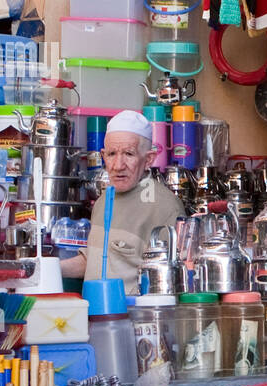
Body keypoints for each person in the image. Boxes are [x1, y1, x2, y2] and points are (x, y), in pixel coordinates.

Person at [61, 110, 182, 294]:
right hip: (94, 315)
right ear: (103, 156)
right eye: (111, 154)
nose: (118, 165)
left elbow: (172, 282)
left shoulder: (165, 208)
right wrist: (46, 268)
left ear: (149, 159)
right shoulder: (103, 201)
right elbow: (96, 261)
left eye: (128, 154)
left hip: (134, 319)